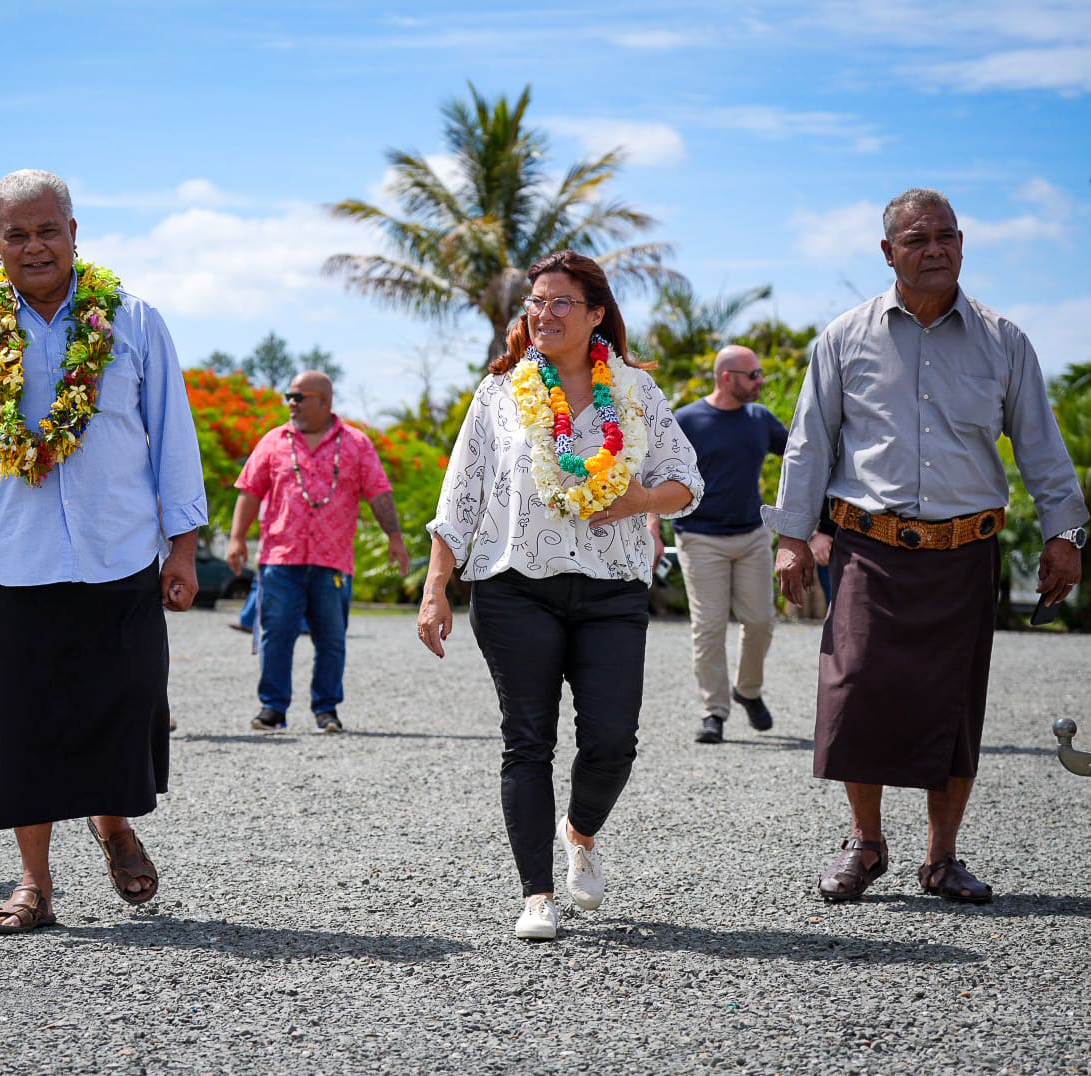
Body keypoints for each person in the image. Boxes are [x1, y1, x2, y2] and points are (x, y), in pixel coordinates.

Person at [766, 188, 1087, 905]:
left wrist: (1066, 534)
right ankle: (867, 843)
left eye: (946, 236)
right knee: (855, 695)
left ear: (963, 243)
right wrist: (792, 537)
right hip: (868, 550)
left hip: (965, 553)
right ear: (889, 253)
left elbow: (1042, 446)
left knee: (955, 707)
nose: (935, 249)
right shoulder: (844, 336)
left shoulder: (1005, 340)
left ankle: (943, 858)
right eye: (918, 240)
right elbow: (808, 445)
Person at [0, 169, 206, 934]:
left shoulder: (133, 321)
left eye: (47, 230)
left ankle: (112, 827)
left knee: (124, 706)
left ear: (75, 233)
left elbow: (174, 437)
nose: (34, 246)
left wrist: (184, 548)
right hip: (19, 561)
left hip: (123, 554)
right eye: (17, 234)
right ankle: (34, 884)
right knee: (23, 723)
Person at [419, 250, 704, 940]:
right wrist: (435, 589)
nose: (542, 314)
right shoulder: (501, 393)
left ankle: (579, 830)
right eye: (535, 303)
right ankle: (536, 895)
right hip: (514, 586)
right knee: (527, 741)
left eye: (559, 303)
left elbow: (687, 484)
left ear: (596, 314)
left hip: (612, 591)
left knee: (612, 742)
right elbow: (461, 495)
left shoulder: (636, 389)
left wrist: (640, 496)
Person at [226, 370, 409, 734]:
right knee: (276, 635)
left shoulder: (356, 443)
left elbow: (378, 491)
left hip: (333, 561)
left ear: (324, 400)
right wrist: (236, 539)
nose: (290, 403)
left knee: (331, 639)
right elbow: (250, 490)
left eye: (298, 397)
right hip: (280, 559)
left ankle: (326, 710)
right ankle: (272, 709)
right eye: (288, 397)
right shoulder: (273, 442)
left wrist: (395, 536)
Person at [662, 346, 787, 744]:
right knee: (710, 627)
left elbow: (801, 457)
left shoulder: (760, 419)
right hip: (700, 537)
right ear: (726, 377)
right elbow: (659, 472)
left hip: (752, 535)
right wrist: (651, 526)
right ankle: (713, 711)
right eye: (752, 374)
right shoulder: (688, 421)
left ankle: (747, 691)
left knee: (761, 622)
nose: (760, 380)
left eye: (760, 373)